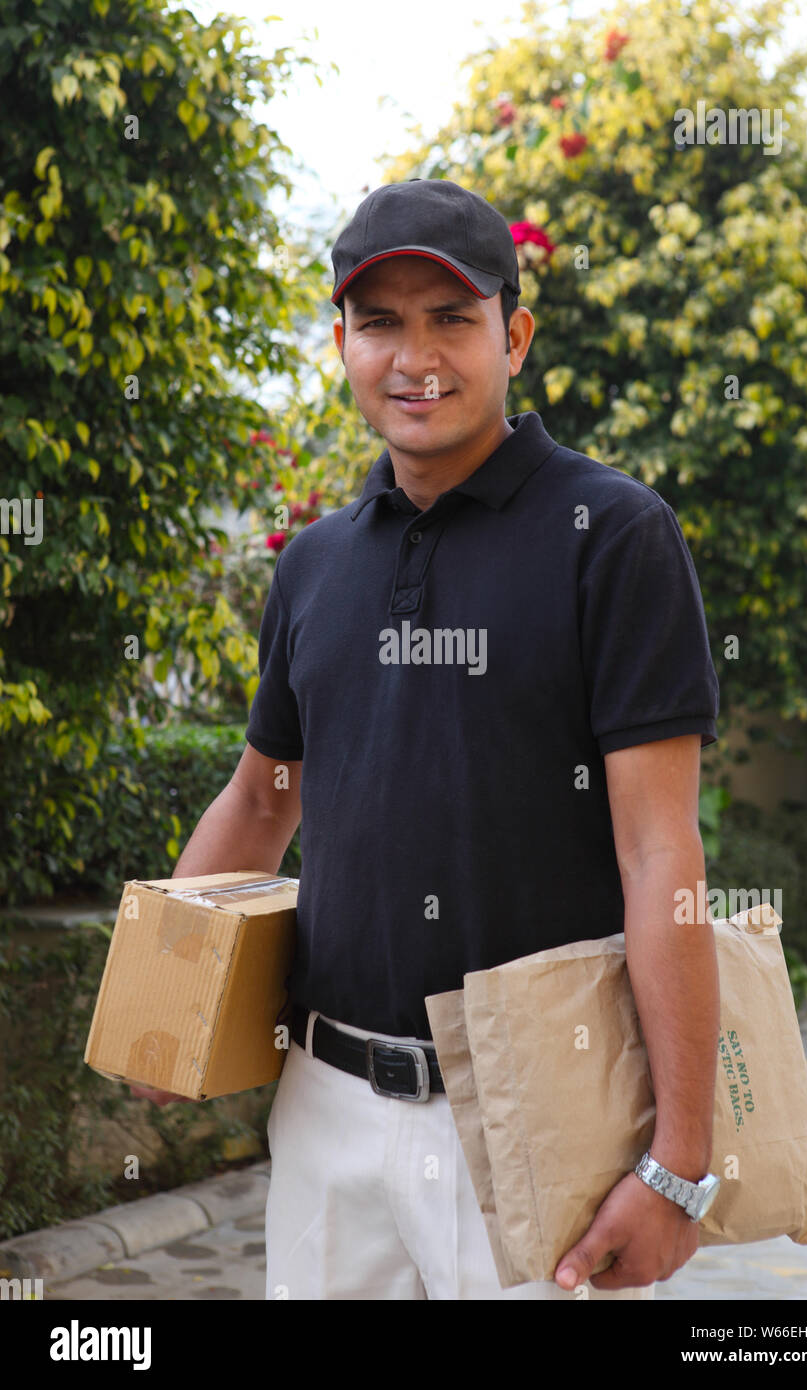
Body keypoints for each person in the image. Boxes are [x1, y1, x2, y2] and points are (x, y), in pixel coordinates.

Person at [134, 179, 721, 1301]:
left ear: (514, 334)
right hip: (323, 1106)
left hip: (536, 1115)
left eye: (451, 317)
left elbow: (661, 856)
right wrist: (159, 1021)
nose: (416, 356)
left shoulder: (612, 536)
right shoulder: (314, 564)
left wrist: (677, 1163)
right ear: (341, 341)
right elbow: (262, 800)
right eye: (380, 321)